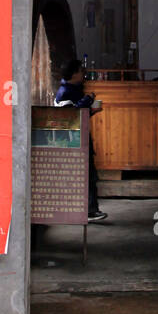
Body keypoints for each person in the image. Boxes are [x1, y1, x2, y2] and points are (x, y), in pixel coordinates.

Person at [54, 58, 107, 222]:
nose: (83, 73)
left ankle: (89, 210)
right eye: (80, 70)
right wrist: (88, 101)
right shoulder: (65, 92)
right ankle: (88, 211)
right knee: (86, 175)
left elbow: (79, 114)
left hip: (80, 137)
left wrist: (91, 109)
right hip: (74, 141)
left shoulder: (72, 88)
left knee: (88, 174)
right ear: (74, 73)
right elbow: (71, 117)